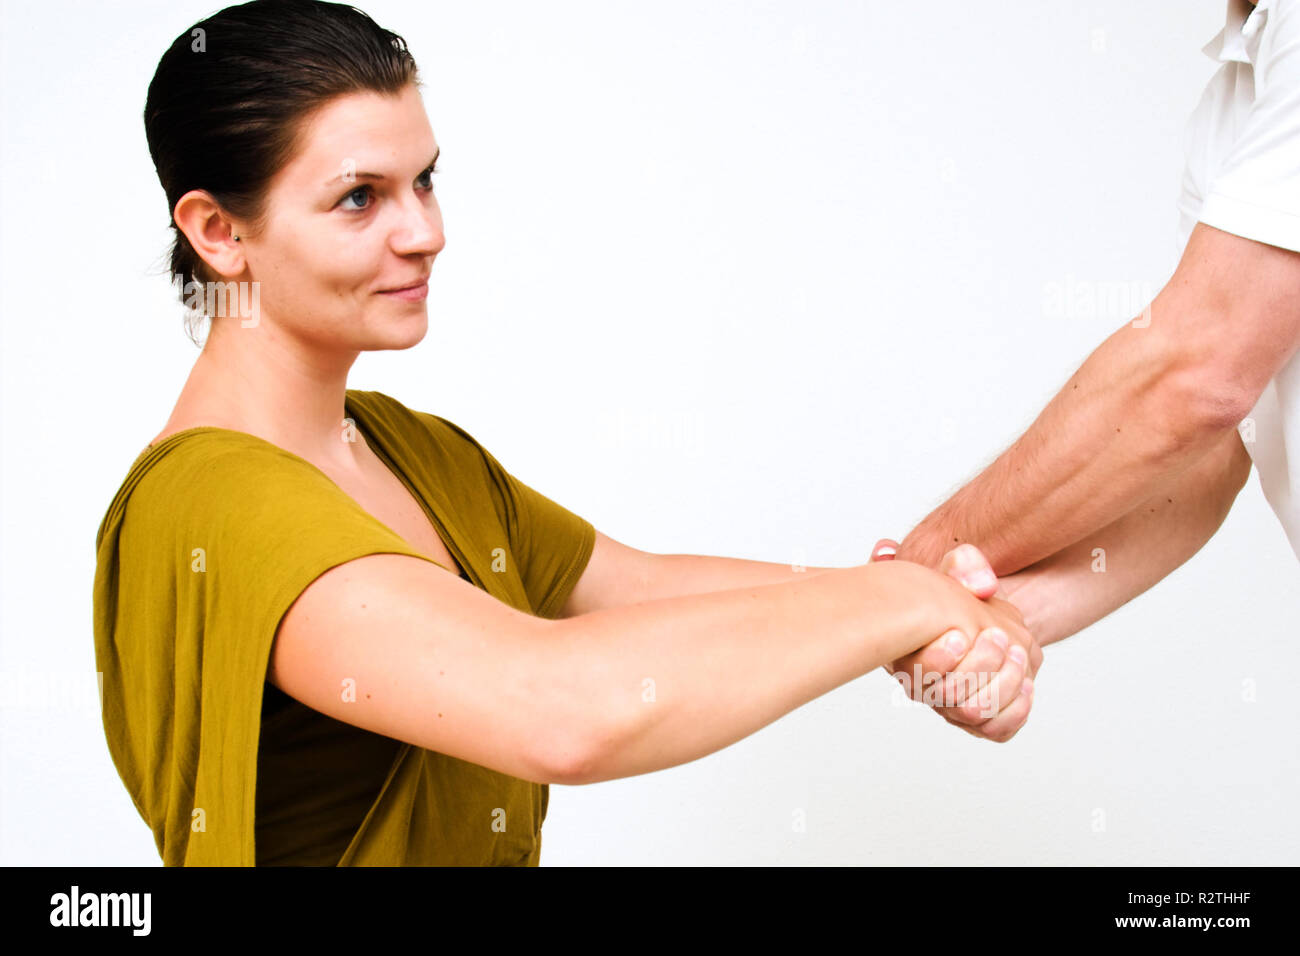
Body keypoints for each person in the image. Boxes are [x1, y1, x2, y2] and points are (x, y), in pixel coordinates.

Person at [93, 0, 1033, 867]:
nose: (425, 232)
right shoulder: (214, 502)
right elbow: (561, 709)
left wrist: (915, 594)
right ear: (218, 230)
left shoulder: (407, 447)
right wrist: (907, 610)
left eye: (425, 181)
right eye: (360, 197)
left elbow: (633, 590)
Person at [871, 0, 1299, 741]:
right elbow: (1219, 442)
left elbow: (1198, 375)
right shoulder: (1242, 84)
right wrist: (1000, 616)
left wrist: (921, 568)